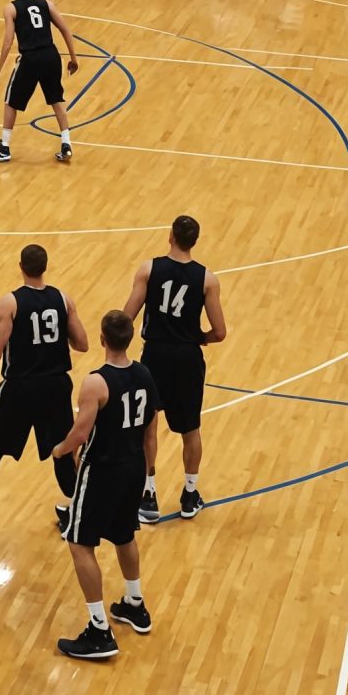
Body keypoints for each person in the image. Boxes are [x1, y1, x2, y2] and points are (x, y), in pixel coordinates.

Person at [0, 244, 89, 555]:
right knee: (62, 451)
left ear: (20, 266)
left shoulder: (11, 302)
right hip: (55, 387)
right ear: (45, 267)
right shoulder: (64, 299)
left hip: (19, 389)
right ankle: (77, 515)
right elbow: (82, 344)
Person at [52, 311, 161, 660]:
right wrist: (146, 473)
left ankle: (99, 629)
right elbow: (151, 434)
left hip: (101, 471)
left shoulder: (96, 383)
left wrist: (60, 449)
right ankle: (134, 602)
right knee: (125, 535)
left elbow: (81, 433)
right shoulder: (145, 374)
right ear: (129, 338)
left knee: (79, 543)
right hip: (133, 468)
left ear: (102, 339)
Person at [122, 215, 227, 524]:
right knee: (190, 429)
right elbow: (220, 332)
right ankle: (189, 494)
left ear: (170, 236)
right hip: (187, 358)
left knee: (148, 427)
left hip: (154, 354)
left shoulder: (149, 269)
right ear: (195, 241)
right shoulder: (207, 279)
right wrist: (198, 339)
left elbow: (128, 315)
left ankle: (148, 494)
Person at [0, 0, 80, 164]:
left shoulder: (11, 8)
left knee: (11, 101)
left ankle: (4, 146)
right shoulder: (46, 4)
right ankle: (66, 143)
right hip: (51, 55)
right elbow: (65, 29)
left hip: (31, 58)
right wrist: (73, 57)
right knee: (56, 99)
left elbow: (8, 41)